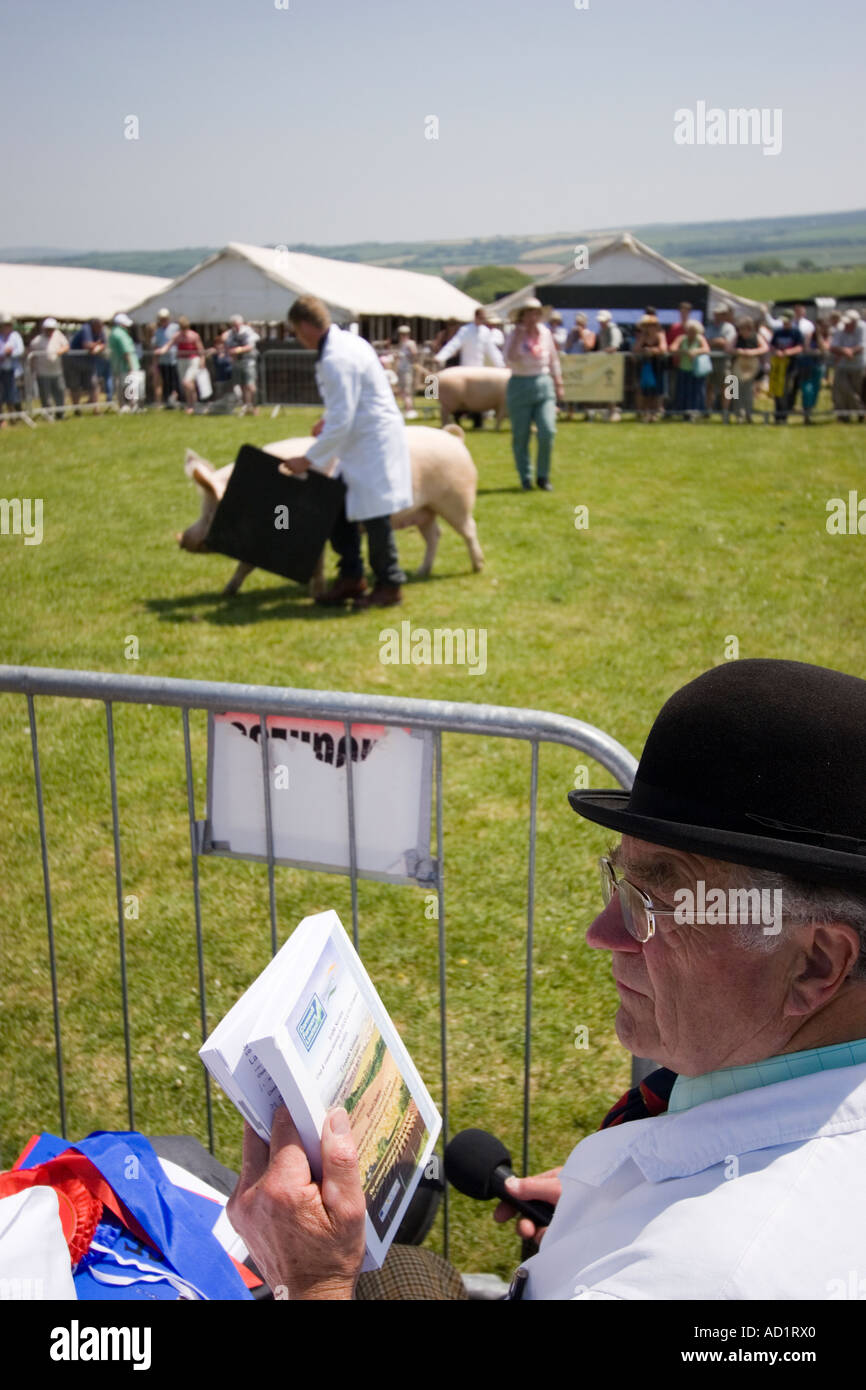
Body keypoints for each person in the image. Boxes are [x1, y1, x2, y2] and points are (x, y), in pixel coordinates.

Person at [227, 657, 866, 1301]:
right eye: (621, 881)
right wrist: (617, 1204)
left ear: (814, 965)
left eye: (654, 902)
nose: (603, 932)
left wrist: (315, 1279)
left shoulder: (693, 1278)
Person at [278, 295, 412, 609]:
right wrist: (327, 420)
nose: (298, 340)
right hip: (361, 437)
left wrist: (307, 459)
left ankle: (390, 584)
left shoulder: (337, 357)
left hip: (371, 440)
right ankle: (351, 576)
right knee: (336, 502)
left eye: (297, 332)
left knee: (375, 514)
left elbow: (343, 417)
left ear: (307, 326)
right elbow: (350, 401)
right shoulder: (349, 343)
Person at [504, 298, 563, 490]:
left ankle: (543, 476)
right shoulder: (513, 335)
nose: (533, 317)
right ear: (522, 316)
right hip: (520, 383)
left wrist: (558, 382)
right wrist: (520, 336)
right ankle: (525, 477)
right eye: (529, 313)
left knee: (547, 431)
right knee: (521, 435)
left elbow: (553, 358)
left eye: (536, 313)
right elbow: (510, 358)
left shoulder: (545, 333)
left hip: (543, 382)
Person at [157, 316, 205, 413]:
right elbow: (168, 345)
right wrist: (161, 351)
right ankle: (190, 404)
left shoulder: (194, 335)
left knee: (187, 382)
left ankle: (194, 403)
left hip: (192, 360)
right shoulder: (177, 336)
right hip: (181, 360)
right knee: (185, 384)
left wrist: (202, 361)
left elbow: (200, 350)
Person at [433, 306, 505, 371]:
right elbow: (453, 345)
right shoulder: (465, 330)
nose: (483, 321)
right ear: (476, 317)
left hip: (479, 368)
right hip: (466, 368)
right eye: (481, 318)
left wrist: (502, 365)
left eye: (484, 319)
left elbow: (492, 350)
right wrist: (440, 357)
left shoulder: (485, 332)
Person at [27, 317, 69, 420]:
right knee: (45, 395)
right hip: (42, 372)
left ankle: (60, 413)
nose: (50, 331)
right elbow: (30, 353)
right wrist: (32, 369)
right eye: (48, 328)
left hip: (57, 371)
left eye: (52, 329)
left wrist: (60, 351)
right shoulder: (37, 341)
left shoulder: (58, 335)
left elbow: (66, 346)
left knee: (59, 392)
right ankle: (48, 414)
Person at [829, 310, 866, 422]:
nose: (846, 325)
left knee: (859, 391)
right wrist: (845, 351)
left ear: (855, 322)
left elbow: (862, 345)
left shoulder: (862, 327)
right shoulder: (840, 328)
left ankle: (860, 414)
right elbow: (833, 346)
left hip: (859, 365)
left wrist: (850, 351)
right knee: (842, 389)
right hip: (842, 365)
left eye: (849, 323)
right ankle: (844, 415)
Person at [768, 309, 804, 423]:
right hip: (777, 366)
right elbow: (772, 345)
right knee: (777, 390)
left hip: (790, 367)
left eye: (786, 321)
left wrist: (787, 352)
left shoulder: (796, 332)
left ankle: (784, 416)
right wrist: (777, 351)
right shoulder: (778, 332)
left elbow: (800, 347)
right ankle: (777, 415)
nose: (784, 323)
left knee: (785, 391)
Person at [672, 318, 711, 421]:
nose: (691, 333)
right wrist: (684, 351)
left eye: (693, 331)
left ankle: (694, 413)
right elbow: (672, 348)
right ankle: (683, 412)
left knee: (696, 392)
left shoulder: (700, 339)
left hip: (696, 371)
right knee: (683, 392)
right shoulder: (681, 338)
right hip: (683, 369)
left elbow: (707, 349)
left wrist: (696, 351)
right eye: (689, 331)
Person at [68, 317, 109, 413]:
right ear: (94, 325)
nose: (100, 330)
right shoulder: (86, 328)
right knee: (75, 385)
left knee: (94, 384)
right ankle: (76, 409)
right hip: (75, 361)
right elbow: (87, 345)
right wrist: (97, 345)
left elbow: (104, 344)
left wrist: (97, 346)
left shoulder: (100, 330)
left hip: (89, 361)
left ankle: (96, 409)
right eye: (98, 328)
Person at [632, 313, 667, 422]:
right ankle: (646, 413)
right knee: (646, 391)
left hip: (658, 366)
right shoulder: (643, 336)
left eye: (651, 325)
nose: (649, 327)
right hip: (646, 367)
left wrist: (652, 351)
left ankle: (654, 414)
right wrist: (644, 350)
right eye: (647, 325)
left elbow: (663, 348)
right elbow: (635, 348)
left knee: (657, 392)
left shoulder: (660, 335)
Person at [731, 316, 764, 423]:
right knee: (736, 391)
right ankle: (739, 415)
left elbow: (765, 347)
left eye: (743, 329)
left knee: (748, 391)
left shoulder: (756, 336)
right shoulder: (737, 337)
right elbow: (728, 348)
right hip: (738, 365)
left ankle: (749, 414)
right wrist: (738, 351)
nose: (741, 331)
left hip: (751, 365)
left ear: (749, 328)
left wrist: (752, 352)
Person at [706, 303, 737, 416]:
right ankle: (708, 410)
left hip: (725, 361)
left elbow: (727, 344)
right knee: (709, 385)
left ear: (724, 315)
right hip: (710, 360)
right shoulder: (709, 327)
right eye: (716, 314)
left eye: (720, 314)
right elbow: (706, 342)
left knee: (728, 386)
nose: (717, 316)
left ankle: (725, 411)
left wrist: (717, 342)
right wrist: (718, 341)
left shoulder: (730, 328)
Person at [226, 314, 260, 414]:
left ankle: (255, 407)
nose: (236, 327)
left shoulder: (248, 331)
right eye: (233, 325)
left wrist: (237, 350)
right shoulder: (231, 334)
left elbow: (250, 346)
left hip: (249, 362)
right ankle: (246, 407)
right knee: (241, 386)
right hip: (237, 362)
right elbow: (227, 344)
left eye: (237, 324)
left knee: (250, 386)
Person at [107, 313, 141, 408]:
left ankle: (123, 405)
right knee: (132, 386)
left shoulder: (113, 333)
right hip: (127, 365)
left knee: (121, 386)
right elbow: (127, 351)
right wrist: (131, 366)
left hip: (118, 365)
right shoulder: (121, 334)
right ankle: (133, 406)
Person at [596, 310, 623, 422]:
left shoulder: (614, 330)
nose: (601, 323)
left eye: (603, 321)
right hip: (604, 363)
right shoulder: (601, 330)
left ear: (608, 320)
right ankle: (609, 410)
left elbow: (614, 347)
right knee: (606, 388)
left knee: (612, 387)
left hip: (613, 364)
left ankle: (614, 412)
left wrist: (600, 353)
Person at [0, 313, 25, 426]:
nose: (7, 326)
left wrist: (10, 353)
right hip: (1, 369)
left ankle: (13, 417)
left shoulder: (15, 336)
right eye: (5, 324)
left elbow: (20, 351)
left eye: (9, 324)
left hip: (13, 371)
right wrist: (3, 354)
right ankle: (2, 420)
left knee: (12, 394)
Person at [152, 307, 180, 407]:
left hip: (174, 360)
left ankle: (175, 399)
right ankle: (169, 401)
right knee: (166, 381)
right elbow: (155, 345)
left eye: (165, 318)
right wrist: (155, 362)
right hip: (163, 361)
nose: (163, 320)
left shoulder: (175, 328)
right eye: (161, 318)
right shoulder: (158, 331)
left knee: (175, 381)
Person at [393, 325, 418, 417]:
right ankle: (407, 409)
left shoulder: (410, 343)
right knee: (401, 390)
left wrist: (406, 356)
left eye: (404, 334)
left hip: (407, 370)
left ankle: (410, 410)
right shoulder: (402, 344)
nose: (402, 336)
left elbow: (414, 353)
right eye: (401, 334)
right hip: (401, 369)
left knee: (407, 391)